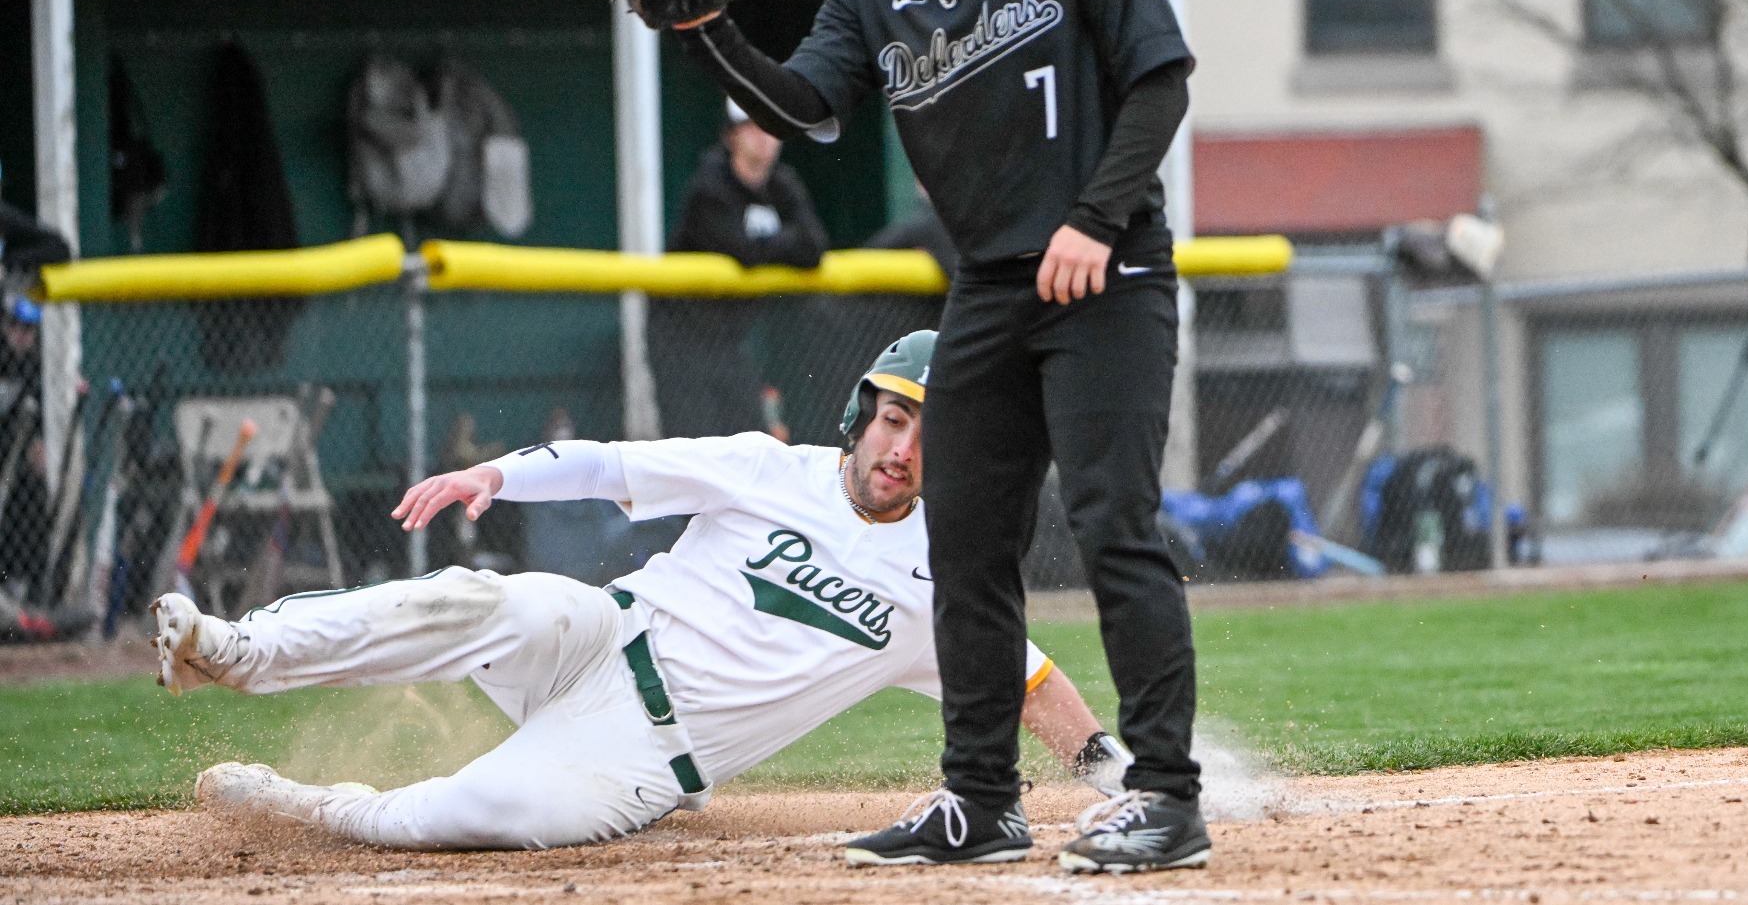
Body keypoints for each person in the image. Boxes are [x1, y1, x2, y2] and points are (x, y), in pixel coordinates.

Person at [658, 0, 1206, 873]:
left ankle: (1164, 792)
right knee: (960, 543)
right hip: (992, 291)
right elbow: (806, 105)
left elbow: (1159, 78)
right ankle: (980, 801)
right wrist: (704, 31)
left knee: (1113, 520)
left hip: (1107, 274)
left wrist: (1097, 218)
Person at [153, 331, 1134, 851]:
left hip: (640, 758)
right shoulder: (766, 466)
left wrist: (1120, 777)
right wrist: (494, 473)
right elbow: (612, 463)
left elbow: (1028, 681)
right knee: (497, 598)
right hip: (601, 635)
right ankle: (237, 649)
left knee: (485, 809)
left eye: (929, 431)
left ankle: (312, 805)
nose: (902, 445)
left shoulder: (943, 575)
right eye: (891, 416)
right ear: (861, 413)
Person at [652, 102, 830, 438]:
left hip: (729, 336)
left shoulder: (782, 184)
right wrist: (782, 242)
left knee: (751, 440)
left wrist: (767, 245)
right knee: (693, 445)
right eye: (752, 126)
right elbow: (740, 250)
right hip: (680, 333)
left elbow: (814, 247)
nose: (764, 137)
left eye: (772, 128)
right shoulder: (709, 184)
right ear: (732, 136)